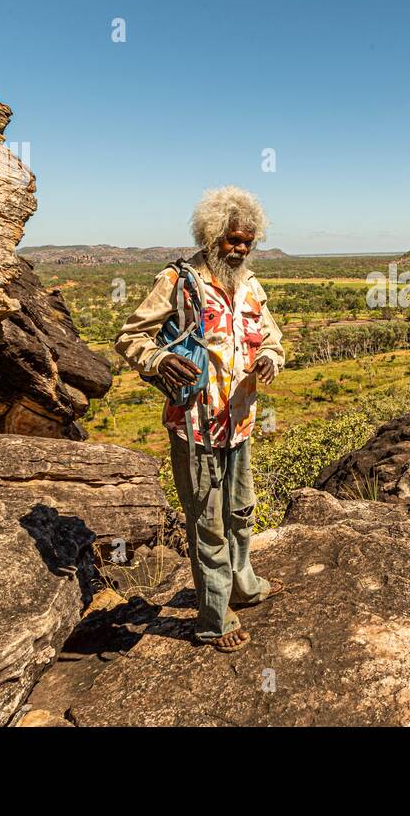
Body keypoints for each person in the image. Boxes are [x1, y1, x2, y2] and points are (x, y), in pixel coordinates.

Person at [115, 186, 285, 652]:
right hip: (194, 422)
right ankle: (213, 619)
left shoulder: (250, 285)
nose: (241, 249)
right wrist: (156, 360)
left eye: (248, 242)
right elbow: (130, 336)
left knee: (240, 510)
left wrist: (271, 357)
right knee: (207, 520)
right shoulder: (180, 281)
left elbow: (272, 339)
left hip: (240, 421)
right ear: (212, 236)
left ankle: (243, 585)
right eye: (233, 240)